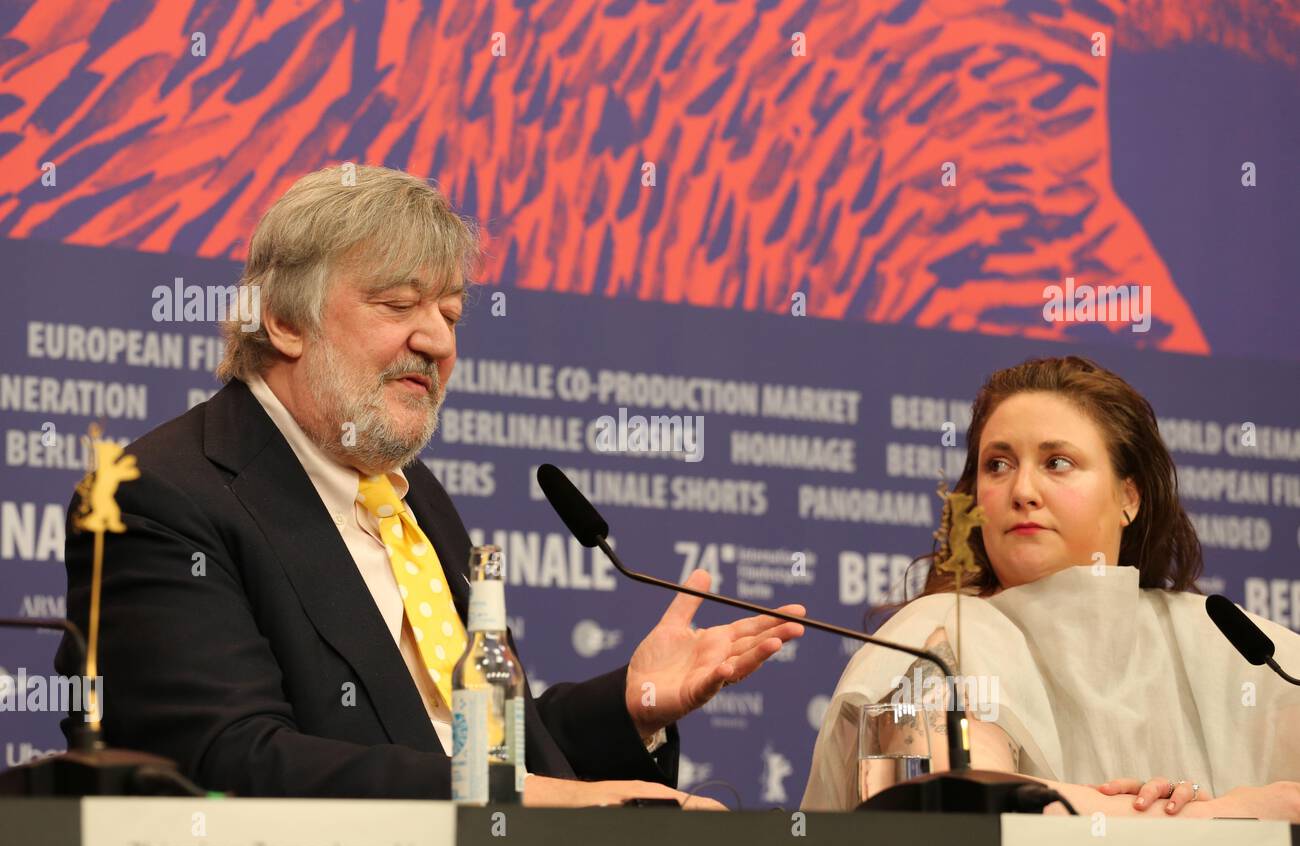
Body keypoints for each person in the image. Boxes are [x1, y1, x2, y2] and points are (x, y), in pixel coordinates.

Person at [55, 165, 804, 807]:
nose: (439, 340)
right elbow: (230, 762)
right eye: (398, 304)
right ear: (283, 319)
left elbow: (442, 741)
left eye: (449, 311)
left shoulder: (412, 501)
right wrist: (518, 796)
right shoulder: (160, 498)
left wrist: (631, 703)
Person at [802, 356, 1300, 820]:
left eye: (1057, 462)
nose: (1022, 492)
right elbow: (953, 804)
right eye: (998, 464)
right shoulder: (939, 632)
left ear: (1129, 496)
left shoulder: (1228, 641)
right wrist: (1214, 815)